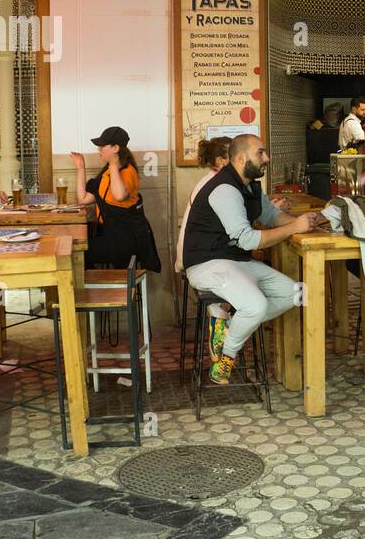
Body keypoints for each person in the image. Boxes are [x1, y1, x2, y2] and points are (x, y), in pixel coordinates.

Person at [184, 134, 318, 384]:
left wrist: (308, 223)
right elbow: (246, 240)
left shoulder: (251, 186)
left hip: (237, 262)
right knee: (255, 306)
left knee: (298, 293)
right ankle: (225, 358)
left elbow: (272, 216)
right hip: (207, 264)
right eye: (261, 153)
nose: (267, 158)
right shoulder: (224, 189)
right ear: (241, 158)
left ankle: (230, 326)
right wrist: (293, 228)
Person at [69, 127, 162, 272]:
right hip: (113, 236)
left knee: (78, 252)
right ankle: (100, 287)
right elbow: (84, 199)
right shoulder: (107, 173)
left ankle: (102, 288)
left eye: (102, 146)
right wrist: (81, 168)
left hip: (127, 240)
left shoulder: (128, 171)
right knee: (76, 249)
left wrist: (113, 163)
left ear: (116, 148)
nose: (99, 150)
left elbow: (119, 195)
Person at [175, 137, 233, 274]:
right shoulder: (217, 183)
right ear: (221, 161)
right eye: (235, 154)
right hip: (196, 257)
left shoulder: (215, 178)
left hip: (196, 252)